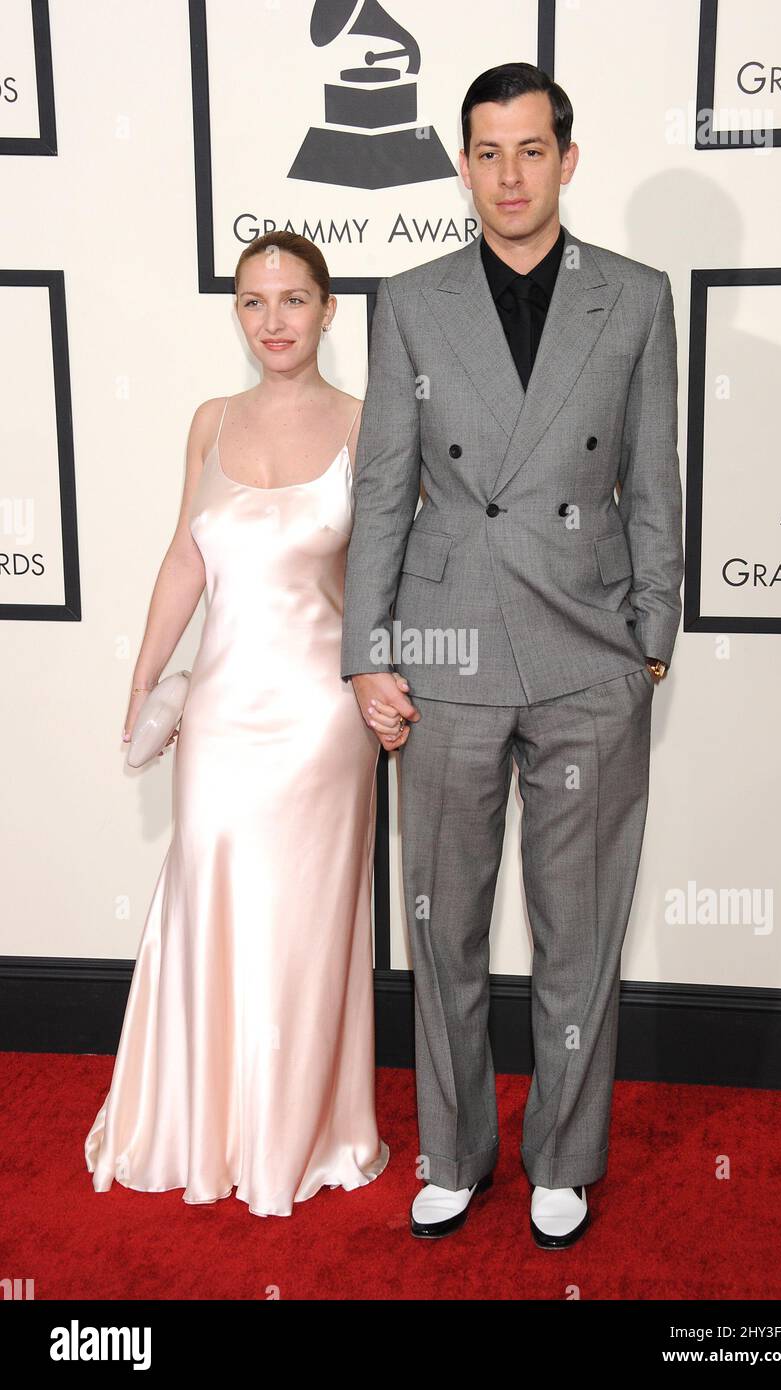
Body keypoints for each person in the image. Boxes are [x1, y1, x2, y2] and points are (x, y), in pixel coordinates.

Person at [340, 63, 684, 1248]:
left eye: (530, 150)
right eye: (485, 153)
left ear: (568, 159)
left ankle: (562, 1157)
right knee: (442, 925)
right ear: (462, 165)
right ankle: (452, 1146)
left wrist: (649, 643)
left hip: (590, 653)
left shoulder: (633, 297)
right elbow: (383, 487)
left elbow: (653, 482)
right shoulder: (413, 299)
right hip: (443, 650)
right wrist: (367, 652)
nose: (508, 175)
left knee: (578, 929)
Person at [85, 231, 393, 1217]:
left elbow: (397, 572)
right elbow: (187, 557)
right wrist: (145, 679)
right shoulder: (209, 420)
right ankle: (203, 1122)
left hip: (319, 719)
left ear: (328, 309)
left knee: (303, 923)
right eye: (255, 303)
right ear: (237, 313)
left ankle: (297, 1133)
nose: (273, 321)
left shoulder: (367, 422)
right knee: (209, 899)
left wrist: (391, 676)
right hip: (219, 710)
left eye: (293, 301)